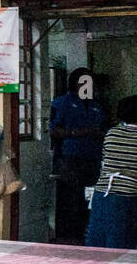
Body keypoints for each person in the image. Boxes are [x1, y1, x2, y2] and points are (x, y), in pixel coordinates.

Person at [51, 68, 107, 244]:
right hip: (69, 159)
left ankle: (85, 235)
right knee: (70, 198)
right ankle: (68, 237)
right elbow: (54, 130)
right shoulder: (61, 103)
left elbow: (105, 128)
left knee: (90, 199)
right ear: (76, 83)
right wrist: (75, 132)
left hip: (93, 158)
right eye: (85, 82)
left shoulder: (97, 106)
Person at [85, 95, 137, 249]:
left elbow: (105, 160)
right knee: (122, 244)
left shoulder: (112, 133)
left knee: (99, 242)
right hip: (128, 195)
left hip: (102, 194)